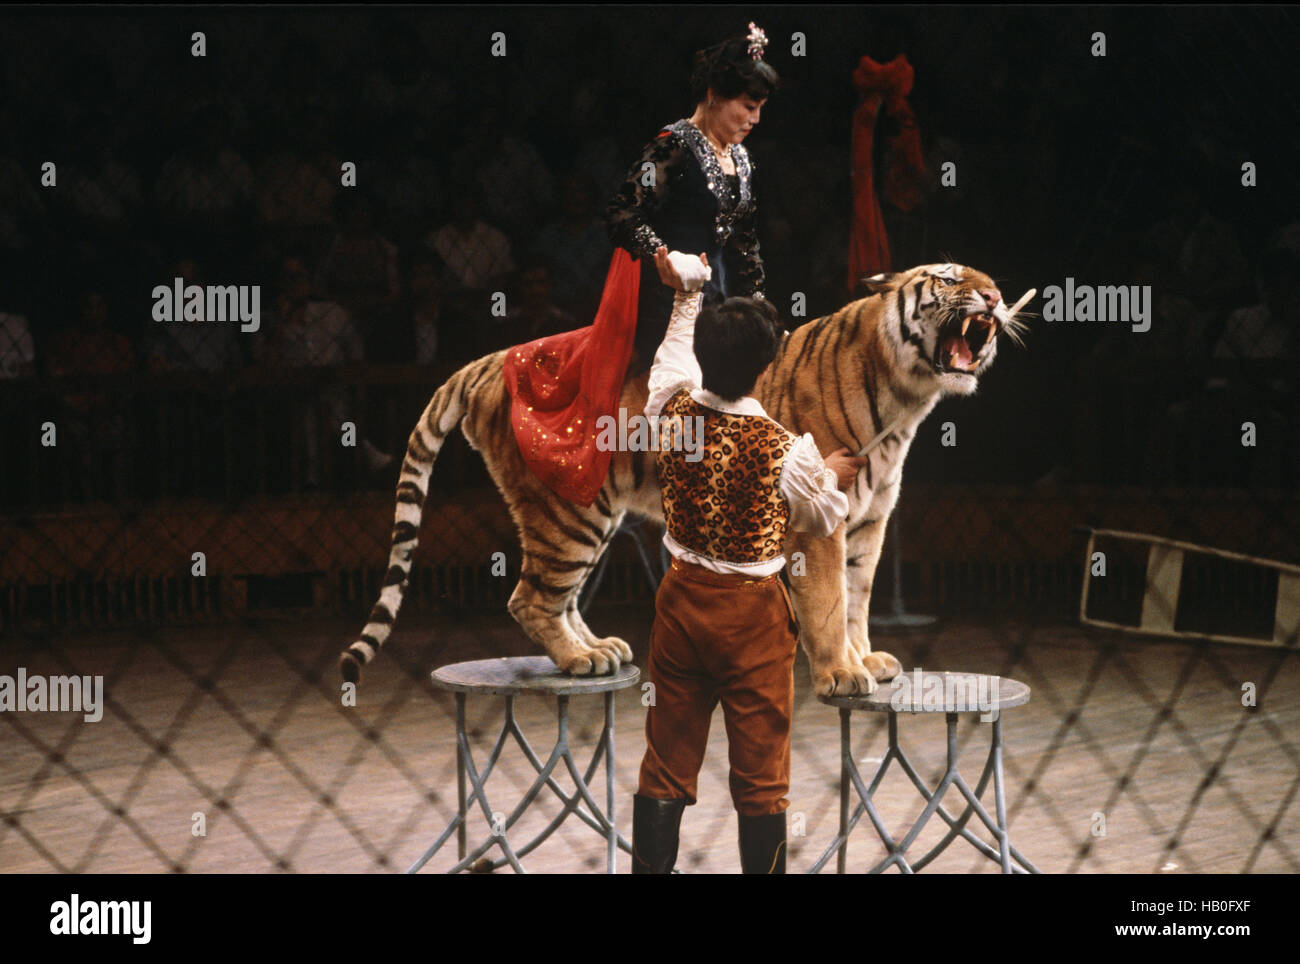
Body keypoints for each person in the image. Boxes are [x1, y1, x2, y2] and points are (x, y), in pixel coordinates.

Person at [632, 252, 864, 874]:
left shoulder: (670, 412)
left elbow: (672, 356)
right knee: (762, 777)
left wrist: (688, 295)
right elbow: (821, 517)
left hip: (680, 605)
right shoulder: (788, 452)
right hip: (752, 621)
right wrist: (830, 475)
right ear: (768, 368)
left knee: (664, 765)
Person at [503, 24, 778, 507]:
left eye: (760, 109)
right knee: (697, 414)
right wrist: (661, 255)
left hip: (724, 309)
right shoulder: (672, 147)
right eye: (748, 107)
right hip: (667, 307)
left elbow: (744, 242)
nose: (755, 119)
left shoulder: (742, 160)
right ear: (715, 96)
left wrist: (759, 311)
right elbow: (621, 212)